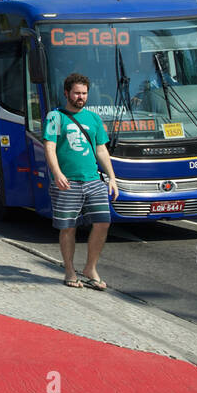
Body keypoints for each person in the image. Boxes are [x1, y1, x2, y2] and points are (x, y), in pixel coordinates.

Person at [44, 72, 117, 290]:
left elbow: (101, 149)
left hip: (93, 180)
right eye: (77, 93)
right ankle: (69, 270)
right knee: (68, 227)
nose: (81, 97)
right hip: (68, 181)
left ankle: (90, 268)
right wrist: (57, 173)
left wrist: (112, 177)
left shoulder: (93, 118)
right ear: (66, 93)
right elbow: (49, 146)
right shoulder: (55, 117)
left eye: (84, 93)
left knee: (103, 222)